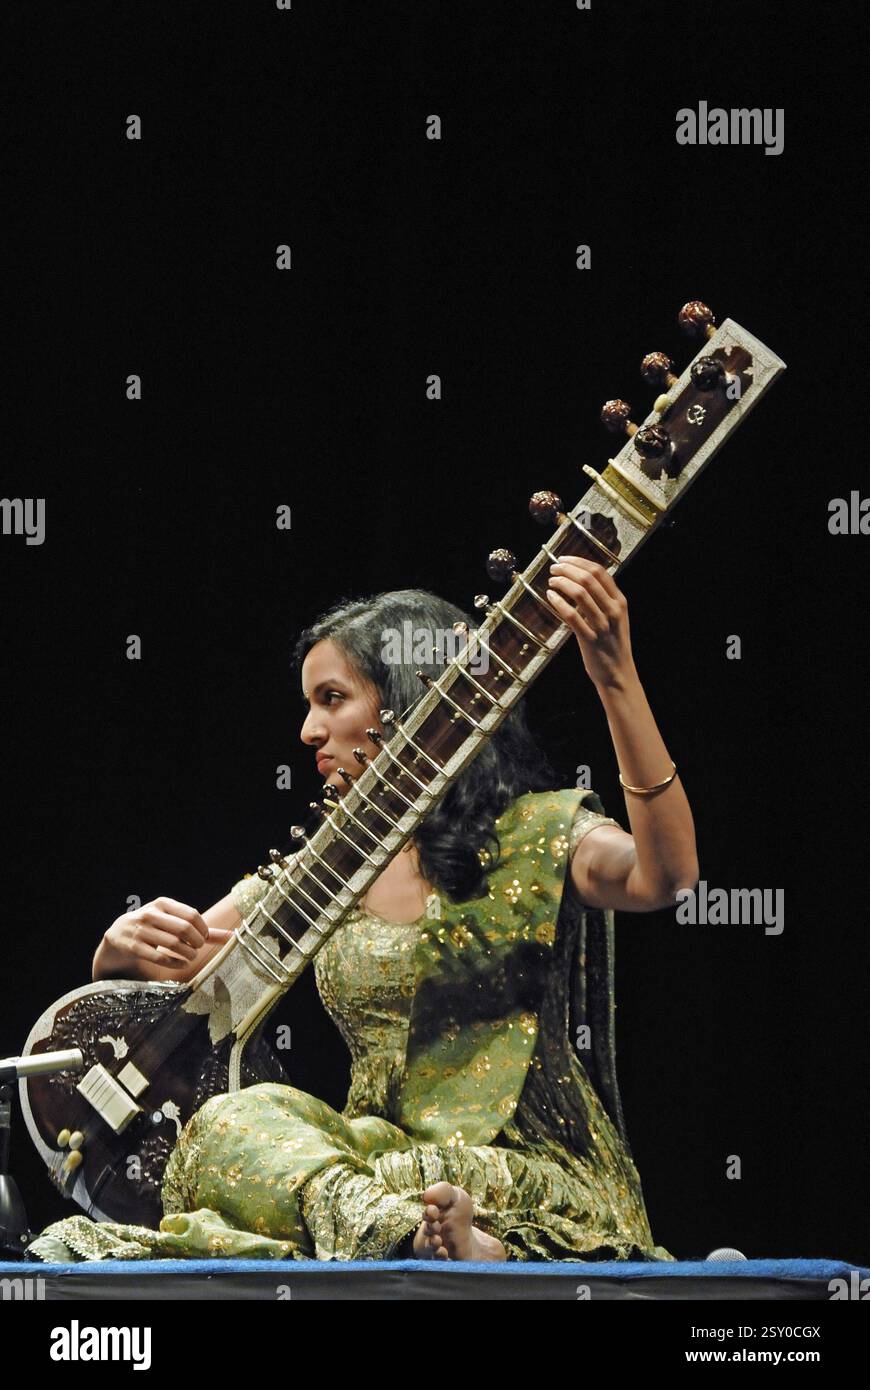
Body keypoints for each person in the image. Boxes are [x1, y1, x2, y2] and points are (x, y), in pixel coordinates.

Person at [27, 560, 698, 1263]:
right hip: (370, 1162)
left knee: (359, 1177)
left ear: (407, 701)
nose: (309, 731)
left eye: (332, 698)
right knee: (232, 1123)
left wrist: (614, 677)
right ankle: (421, 1236)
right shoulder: (326, 873)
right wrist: (120, 951)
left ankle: (467, 1237)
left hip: (515, 1162)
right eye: (309, 703)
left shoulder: (538, 833)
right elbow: (182, 966)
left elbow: (668, 876)